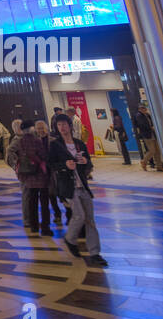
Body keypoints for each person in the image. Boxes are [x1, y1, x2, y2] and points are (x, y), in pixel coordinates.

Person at [48, 113, 107, 266]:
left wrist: (85, 161)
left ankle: (95, 253)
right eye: (59, 125)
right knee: (79, 216)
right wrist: (65, 165)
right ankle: (70, 238)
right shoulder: (56, 145)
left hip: (82, 185)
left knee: (90, 220)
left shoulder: (79, 143)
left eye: (64, 124)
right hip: (68, 186)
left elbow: (88, 163)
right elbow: (51, 164)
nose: (62, 127)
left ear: (70, 126)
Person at [14, 119, 51, 235]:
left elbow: (14, 155)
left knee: (32, 202)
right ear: (31, 128)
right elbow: (43, 156)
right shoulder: (37, 141)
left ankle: (34, 225)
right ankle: (45, 227)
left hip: (28, 176)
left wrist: (16, 166)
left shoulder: (19, 142)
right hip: (40, 176)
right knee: (44, 203)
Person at [35, 118, 64, 227]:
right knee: (45, 196)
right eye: (38, 129)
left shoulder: (53, 140)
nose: (40, 130)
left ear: (46, 129)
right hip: (41, 172)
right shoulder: (35, 141)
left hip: (52, 171)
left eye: (42, 128)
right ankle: (49, 217)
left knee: (54, 194)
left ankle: (59, 214)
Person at [135, 104, 163, 171]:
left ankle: (159, 167)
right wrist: (151, 128)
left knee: (157, 151)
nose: (145, 110)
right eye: (143, 108)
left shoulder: (147, 115)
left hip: (153, 134)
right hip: (147, 135)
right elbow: (142, 125)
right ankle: (144, 161)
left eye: (145, 108)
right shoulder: (138, 115)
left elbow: (152, 122)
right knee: (152, 150)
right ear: (140, 109)